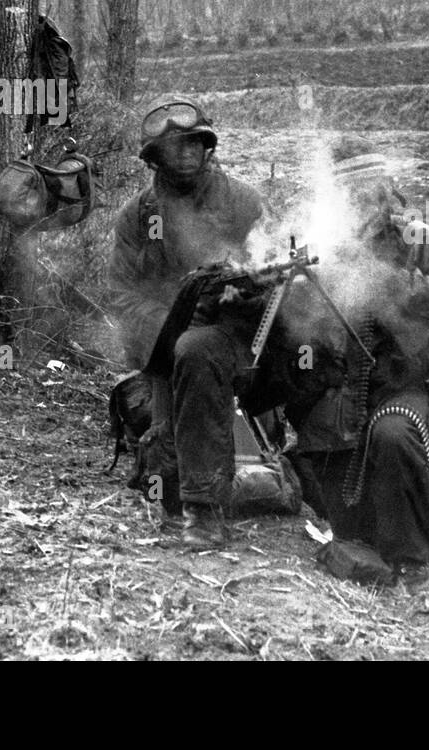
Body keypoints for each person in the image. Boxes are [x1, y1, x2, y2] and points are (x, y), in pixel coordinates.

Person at [281, 141, 429, 586]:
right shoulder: (324, 246)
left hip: (405, 384)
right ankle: (364, 534)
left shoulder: (422, 241)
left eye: (373, 190)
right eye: (353, 193)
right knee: (319, 464)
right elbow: (292, 320)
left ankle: (411, 560)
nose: (366, 203)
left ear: (391, 190)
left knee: (393, 436)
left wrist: (387, 282)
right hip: (338, 388)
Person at [106, 95, 266, 545]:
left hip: (239, 339)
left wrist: (240, 292)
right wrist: (171, 323)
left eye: (197, 143)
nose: (189, 152)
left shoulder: (242, 202)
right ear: (155, 156)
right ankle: (193, 506)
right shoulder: (139, 217)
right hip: (164, 345)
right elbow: (122, 292)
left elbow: (272, 275)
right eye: (177, 145)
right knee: (164, 437)